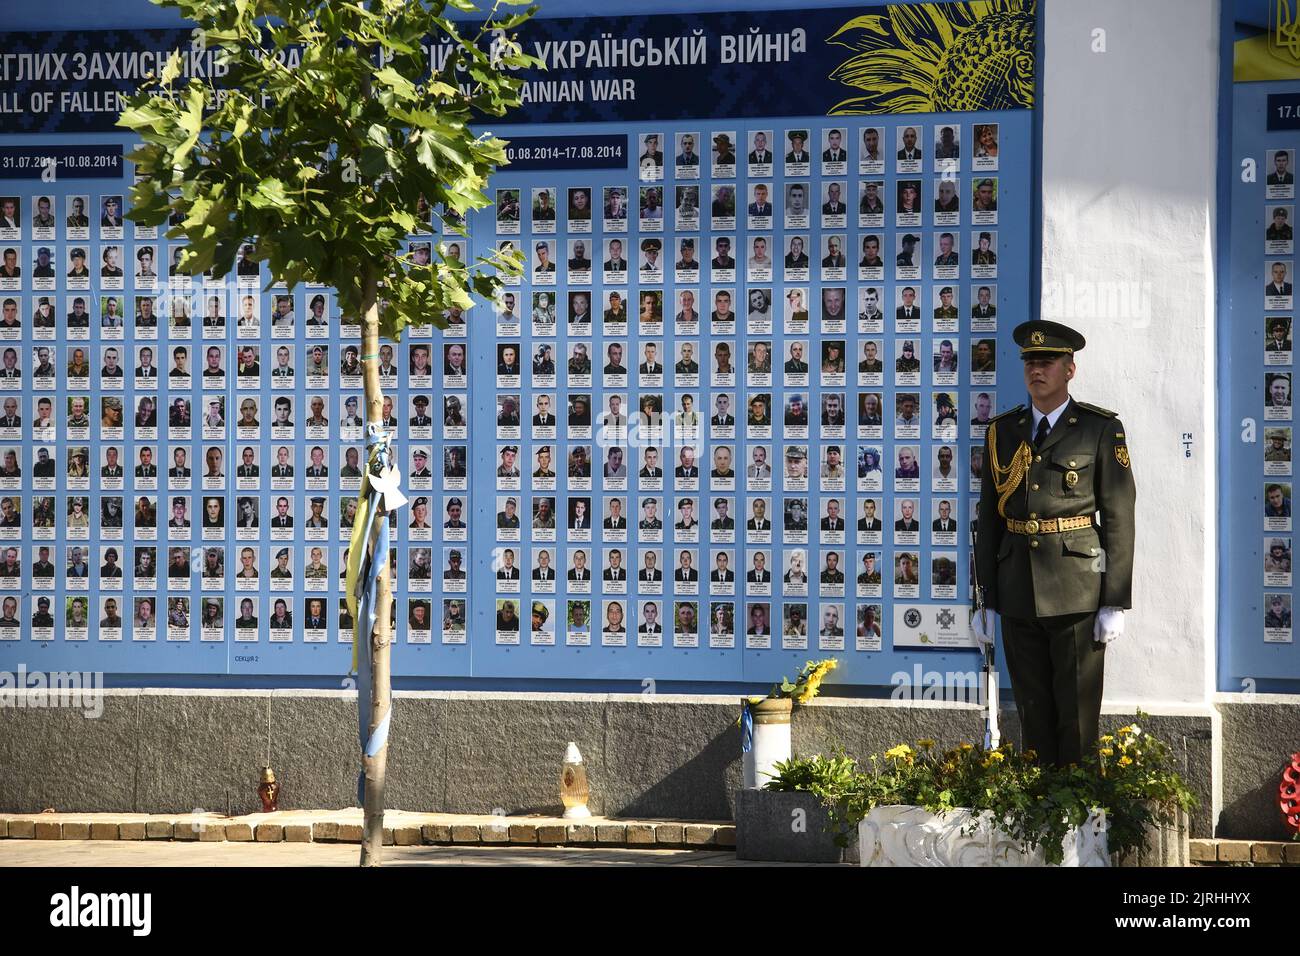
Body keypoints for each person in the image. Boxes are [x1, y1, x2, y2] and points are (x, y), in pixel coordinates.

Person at [973, 319, 1136, 769]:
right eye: (1029, 362)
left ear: (1070, 369)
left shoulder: (1099, 430)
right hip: (1017, 588)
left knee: (1078, 715)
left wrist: (1114, 600)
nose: (1036, 370)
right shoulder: (1003, 431)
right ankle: (1039, 818)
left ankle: (1081, 816)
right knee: (1032, 711)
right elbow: (989, 519)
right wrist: (984, 597)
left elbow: (1119, 514)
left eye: (1046, 362)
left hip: (1078, 588)